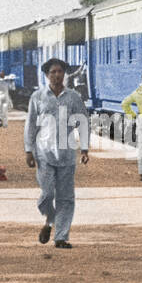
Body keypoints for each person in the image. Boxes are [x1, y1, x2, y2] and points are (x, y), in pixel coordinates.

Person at [25, 57, 90, 248]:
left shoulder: (73, 97)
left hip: (67, 154)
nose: (56, 75)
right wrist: (28, 150)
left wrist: (85, 148)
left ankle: (61, 237)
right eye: (52, 72)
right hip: (44, 153)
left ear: (65, 74)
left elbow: (83, 122)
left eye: (60, 71)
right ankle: (50, 219)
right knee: (46, 194)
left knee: (66, 197)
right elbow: (30, 124)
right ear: (46, 75)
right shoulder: (37, 97)